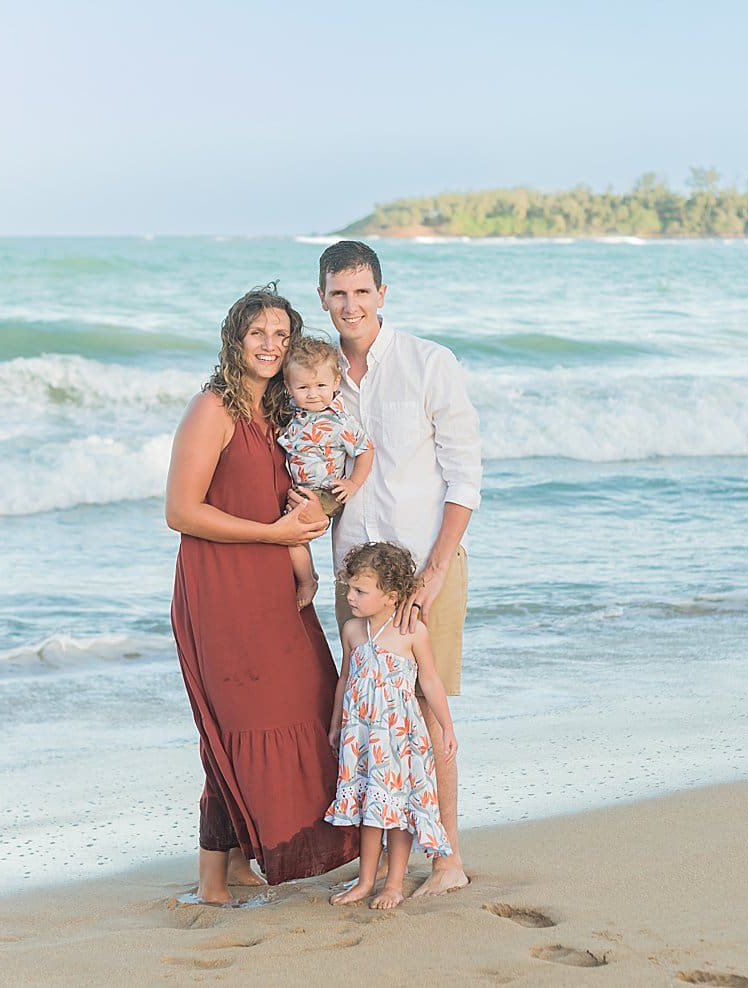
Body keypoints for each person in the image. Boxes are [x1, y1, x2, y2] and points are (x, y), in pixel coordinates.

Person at [296, 240, 481, 898]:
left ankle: (448, 861)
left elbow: (464, 479)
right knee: (371, 719)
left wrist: (432, 574)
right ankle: (380, 864)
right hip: (358, 580)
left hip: (424, 570)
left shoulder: (429, 364)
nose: (351, 304)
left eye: (362, 292)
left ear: (382, 294)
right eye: (338, 294)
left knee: (426, 712)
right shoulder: (314, 376)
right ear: (321, 298)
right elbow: (313, 469)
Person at [165, 283, 358, 904]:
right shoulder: (212, 409)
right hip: (220, 587)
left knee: (310, 698)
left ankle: (252, 857)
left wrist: (309, 525)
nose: (271, 345)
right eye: (258, 334)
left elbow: (299, 488)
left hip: (277, 582)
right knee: (235, 725)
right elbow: (180, 511)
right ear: (235, 340)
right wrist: (272, 534)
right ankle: (212, 882)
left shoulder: (282, 413)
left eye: (281, 334)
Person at [325, 541, 457, 910]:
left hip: (399, 739)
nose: (350, 596)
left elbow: (430, 682)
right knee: (371, 810)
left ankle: (394, 885)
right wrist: (336, 724)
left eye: (360, 591)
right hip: (362, 736)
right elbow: (345, 677)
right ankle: (367, 881)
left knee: (396, 813)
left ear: (391, 596)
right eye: (349, 588)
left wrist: (447, 728)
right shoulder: (353, 630)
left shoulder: (412, 633)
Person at [276, 335, 375, 609]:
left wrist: (353, 484)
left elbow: (366, 449)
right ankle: (306, 576)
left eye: (321, 385)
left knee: (291, 534)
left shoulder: (339, 421)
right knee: (288, 535)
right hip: (301, 488)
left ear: (335, 383)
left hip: (326, 491)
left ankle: (308, 581)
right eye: (303, 386)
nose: (313, 393)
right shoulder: (295, 411)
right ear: (289, 386)